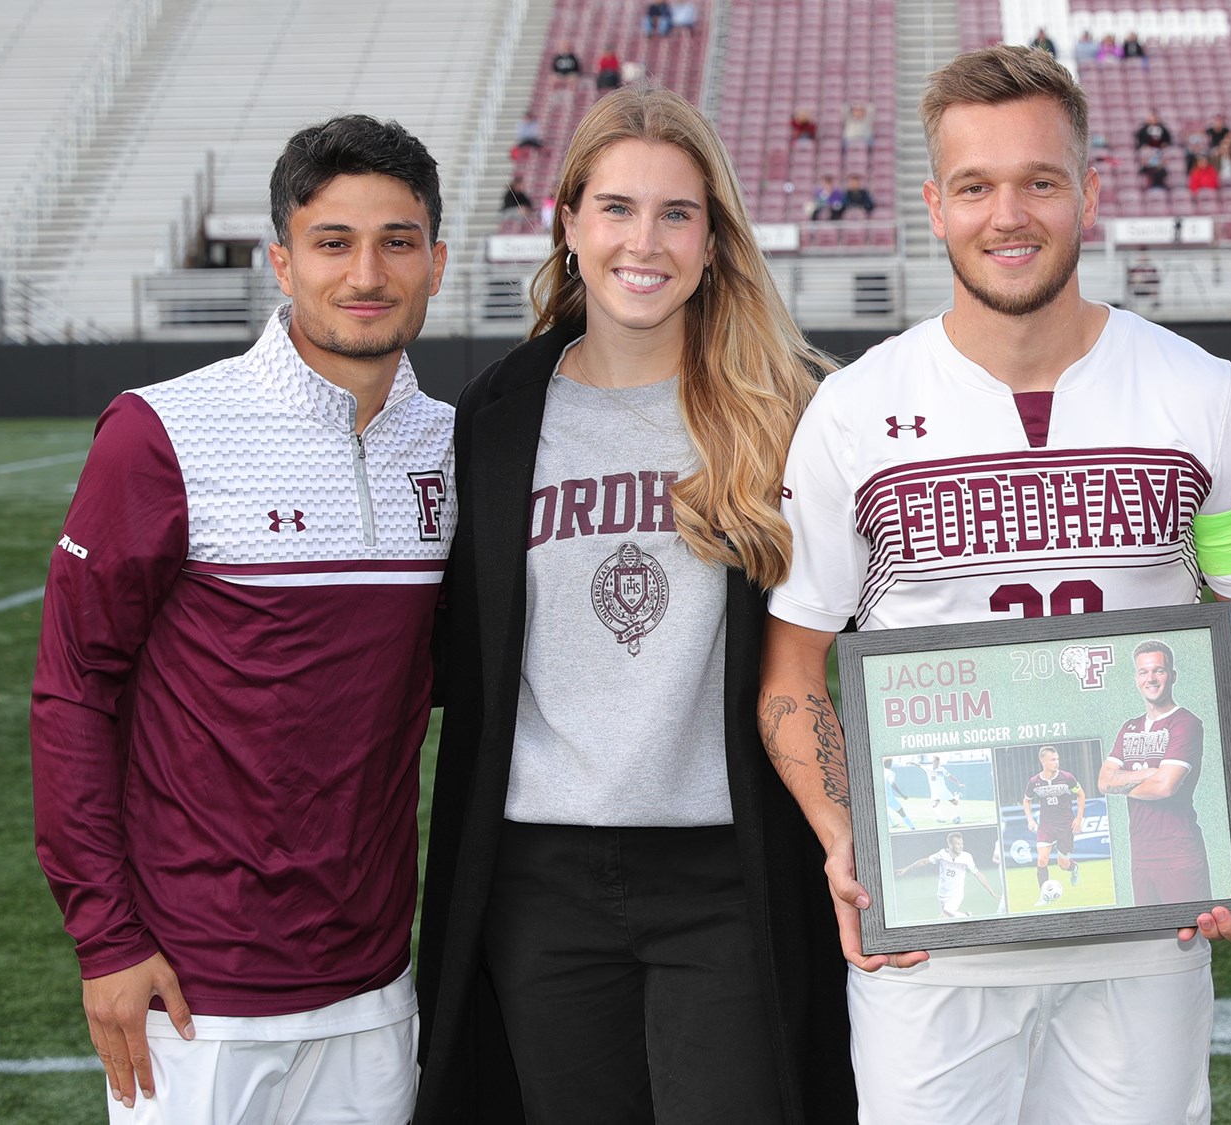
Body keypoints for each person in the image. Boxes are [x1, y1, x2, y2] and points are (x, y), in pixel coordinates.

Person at [758, 45, 1231, 1125]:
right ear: (933, 204)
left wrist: (1225, 813)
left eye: (1039, 181)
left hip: (1143, 919)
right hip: (934, 917)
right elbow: (790, 669)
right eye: (975, 186)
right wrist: (842, 838)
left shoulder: (1202, 395)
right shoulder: (854, 413)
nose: (1008, 215)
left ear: (1088, 193)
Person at [413, 85, 854, 1125]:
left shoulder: (788, 409)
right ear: (567, 224)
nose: (641, 241)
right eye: (614, 208)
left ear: (714, 241)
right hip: (539, 874)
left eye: (675, 213)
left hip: (727, 871)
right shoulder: (497, 412)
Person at [31, 114, 455, 1124]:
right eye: (332, 242)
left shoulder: (454, 445)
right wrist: (106, 939)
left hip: (373, 988)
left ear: (437, 262)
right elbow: (73, 692)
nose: (367, 272)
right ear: (280, 260)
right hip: (194, 996)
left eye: (397, 241)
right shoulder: (163, 430)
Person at [1099, 641, 1210, 905]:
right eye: (1143, 672)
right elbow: (1104, 782)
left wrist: (1122, 782)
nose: (1150, 678)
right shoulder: (1130, 727)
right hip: (1140, 855)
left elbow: (1165, 787)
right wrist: (1150, 772)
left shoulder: (1186, 722)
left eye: (1158, 671)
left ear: (1172, 676)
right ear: (1136, 679)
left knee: (1187, 936)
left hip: (1178, 853)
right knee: (1148, 940)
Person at [1023, 747, 1086, 889]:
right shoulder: (1034, 782)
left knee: (1063, 865)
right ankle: (1044, 895)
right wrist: (1030, 819)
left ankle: (1074, 868)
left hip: (1065, 825)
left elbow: (1081, 795)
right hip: (1046, 826)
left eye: (1057, 759)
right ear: (1043, 762)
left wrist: (1079, 818)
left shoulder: (1067, 778)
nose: (1057, 762)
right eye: (1053, 760)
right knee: (1042, 859)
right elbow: (1027, 800)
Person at [896, 832, 999, 918]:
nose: (961, 846)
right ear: (950, 845)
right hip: (941, 894)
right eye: (958, 844)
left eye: (962, 843)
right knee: (949, 917)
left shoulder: (967, 857)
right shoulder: (942, 854)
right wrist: (906, 869)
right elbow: (923, 861)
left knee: (942, 919)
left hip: (956, 894)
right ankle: (965, 916)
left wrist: (992, 892)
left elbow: (978, 875)